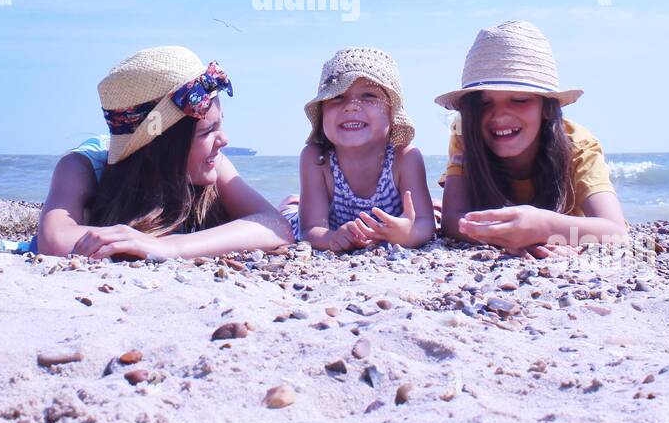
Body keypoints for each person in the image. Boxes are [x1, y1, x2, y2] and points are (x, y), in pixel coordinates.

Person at [37, 45, 294, 259]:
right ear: (159, 146)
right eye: (207, 132)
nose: (223, 140)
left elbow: (275, 226)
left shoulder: (213, 165)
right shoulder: (81, 167)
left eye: (221, 124)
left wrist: (168, 247)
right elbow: (55, 240)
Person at [436, 21, 629, 256]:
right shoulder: (466, 136)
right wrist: (510, 236)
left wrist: (545, 227)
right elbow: (451, 221)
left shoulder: (578, 145)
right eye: (484, 103)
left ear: (547, 108)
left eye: (519, 100)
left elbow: (616, 232)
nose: (499, 115)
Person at [279, 47, 435, 252]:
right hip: (321, 221)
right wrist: (333, 238)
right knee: (284, 220)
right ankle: (292, 203)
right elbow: (310, 229)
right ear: (322, 111)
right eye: (337, 97)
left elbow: (425, 223)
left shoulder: (404, 158)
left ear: (392, 112)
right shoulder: (317, 159)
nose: (351, 106)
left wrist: (406, 234)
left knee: (436, 211)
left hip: (391, 221)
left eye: (369, 96)